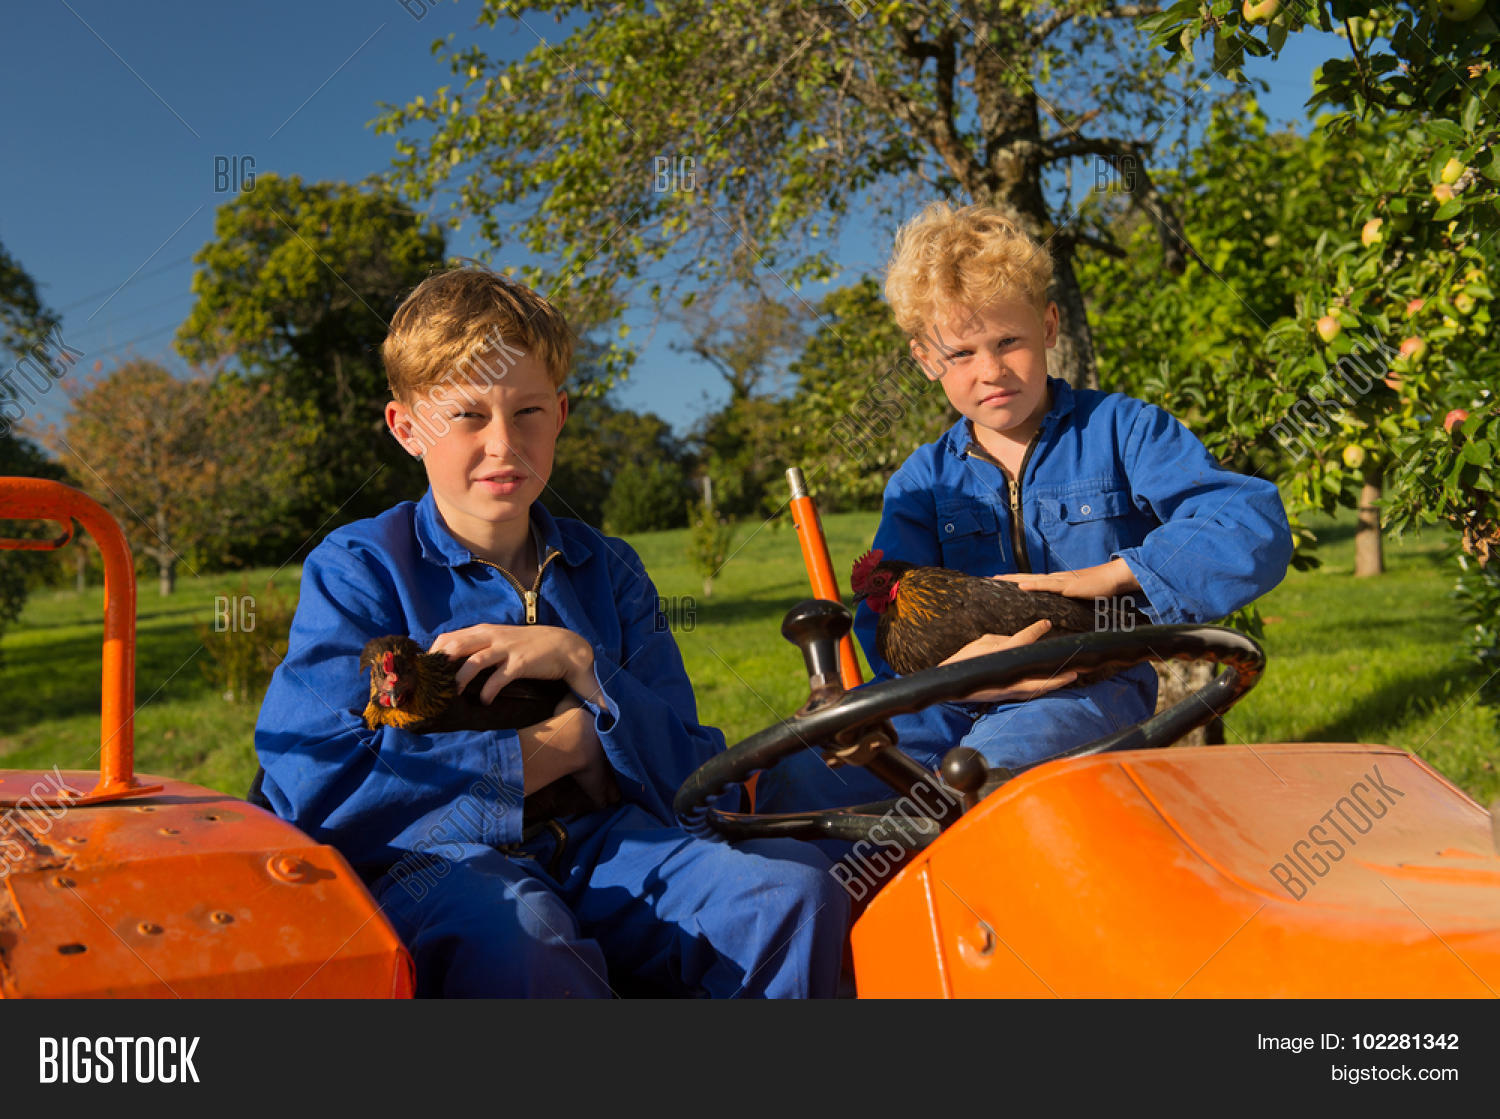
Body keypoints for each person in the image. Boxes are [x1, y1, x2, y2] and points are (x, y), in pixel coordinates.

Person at [254, 267, 849, 997]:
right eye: (467, 415)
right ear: (407, 428)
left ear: (560, 414)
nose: (504, 443)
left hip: (609, 849)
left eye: (528, 411)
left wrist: (582, 664)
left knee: (792, 895)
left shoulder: (609, 569)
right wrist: (565, 745)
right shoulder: (361, 569)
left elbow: (691, 773)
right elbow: (318, 790)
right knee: (527, 939)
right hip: (441, 867)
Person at [757, 200, 1292, 816]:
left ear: (1050, 327)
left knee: (990, 777)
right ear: (926, 360)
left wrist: (1117, 573)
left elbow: (1252, 525)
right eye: (961, 353)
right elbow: (884, 621)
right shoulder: (923, 480)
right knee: (800, 780)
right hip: (946, 695)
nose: (992, 370)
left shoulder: (1123, 430)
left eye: (1009, 341)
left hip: (1087, 685)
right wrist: (955, 673)